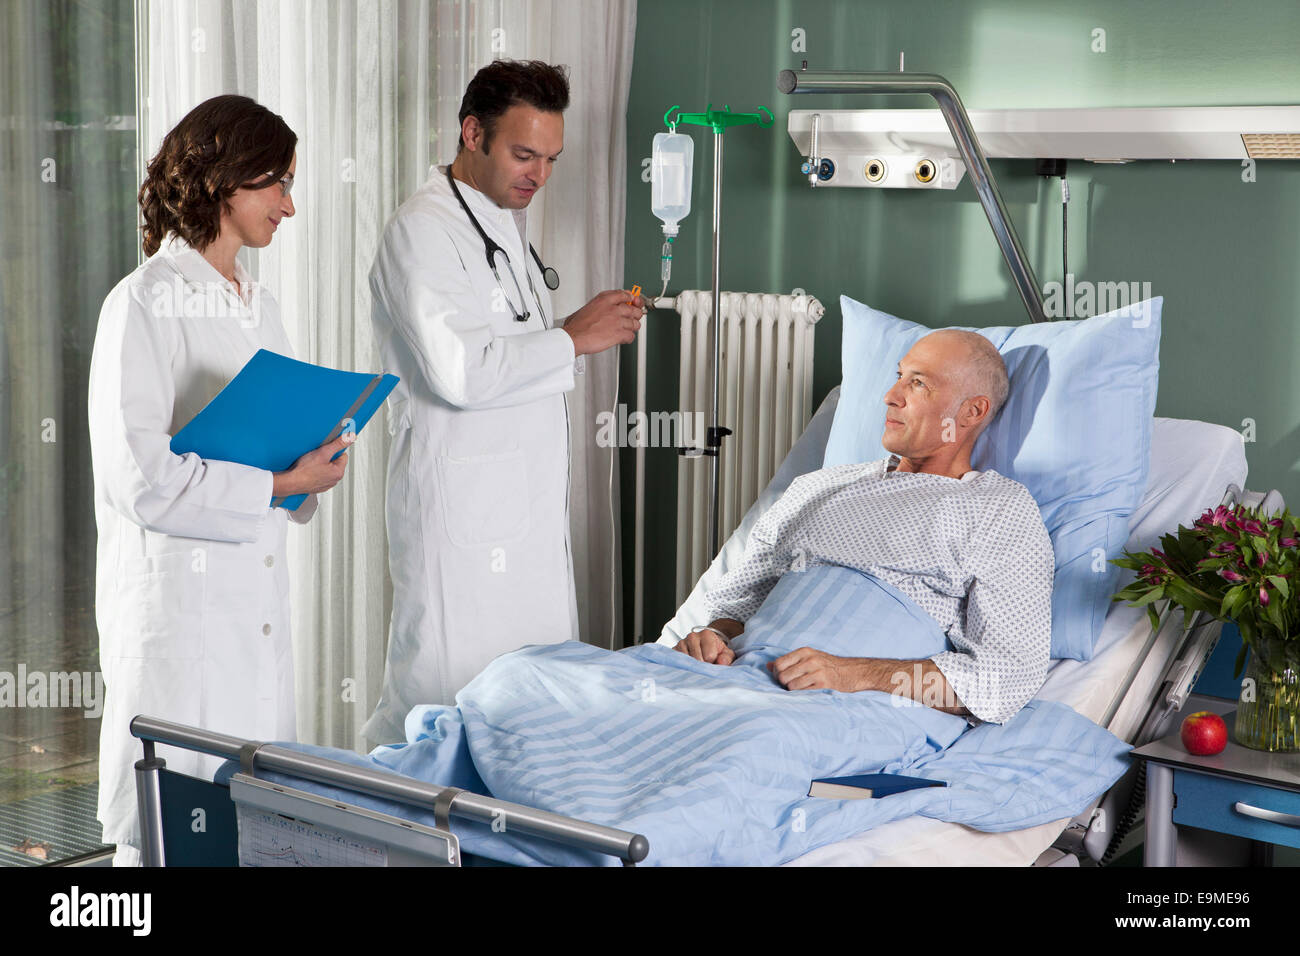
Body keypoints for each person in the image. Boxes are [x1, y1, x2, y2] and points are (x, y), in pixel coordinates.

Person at [88, 94, 350, 866]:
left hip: (252, 611)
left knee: (253, 834)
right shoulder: (140, 305)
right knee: (174, 837)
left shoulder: (260, 309)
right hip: (181, 624)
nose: (289, 205)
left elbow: (271, 457)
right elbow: (138, 479)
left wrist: (311, 468)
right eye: (276, 183)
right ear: (223, 180)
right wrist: (274, 485)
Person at [363, 60, 643, 743]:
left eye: (550, 159)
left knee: (527, 716)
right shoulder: (421, 231)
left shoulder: (500, 222)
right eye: (524, 155)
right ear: (472, 133)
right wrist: (572, 337)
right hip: (459, 525)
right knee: (434, 711)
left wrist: (566, 337)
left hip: (520, 522)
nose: (539, 176)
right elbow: (463, 371)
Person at [675, 330, 1055, 725]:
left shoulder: (999, 509)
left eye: (918, 383)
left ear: (971, 412)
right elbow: (735, 606)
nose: (891, 395)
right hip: (734, 682)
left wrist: (853, 674)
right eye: (898, 375)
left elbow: (1005, 678)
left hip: (847, 712)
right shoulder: (818, 486)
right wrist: (713, 638)